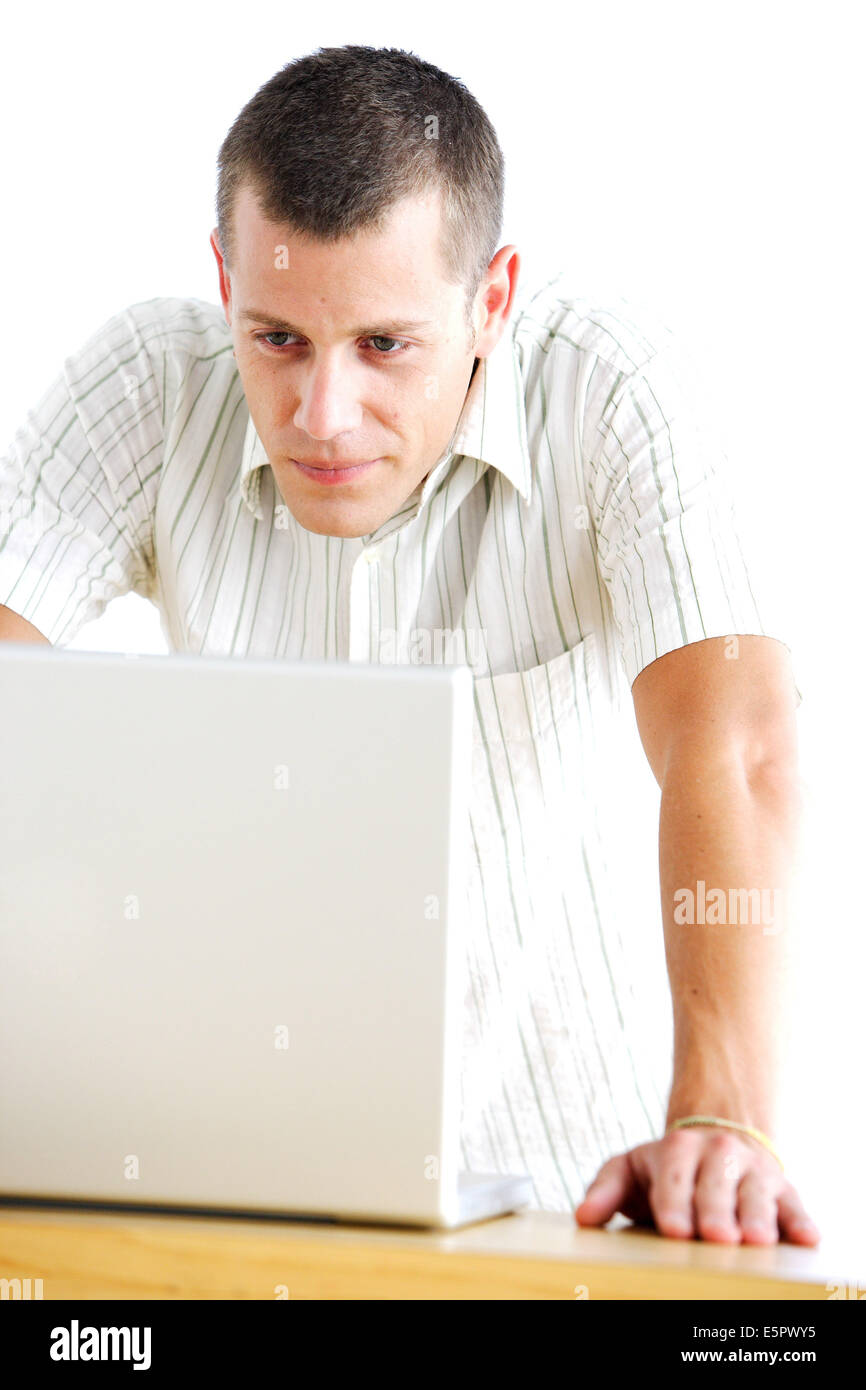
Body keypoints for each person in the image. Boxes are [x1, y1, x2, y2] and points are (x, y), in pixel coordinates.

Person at [0, 43, 819, 1245]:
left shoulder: (608, 389)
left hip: (565, 1220)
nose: (321, 418)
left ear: (490, 300)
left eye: (384, 345)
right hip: (225, 1207)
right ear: (224, 276)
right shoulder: (152, 382)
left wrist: (723, 1120)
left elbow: (737, 745)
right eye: (276, 338)